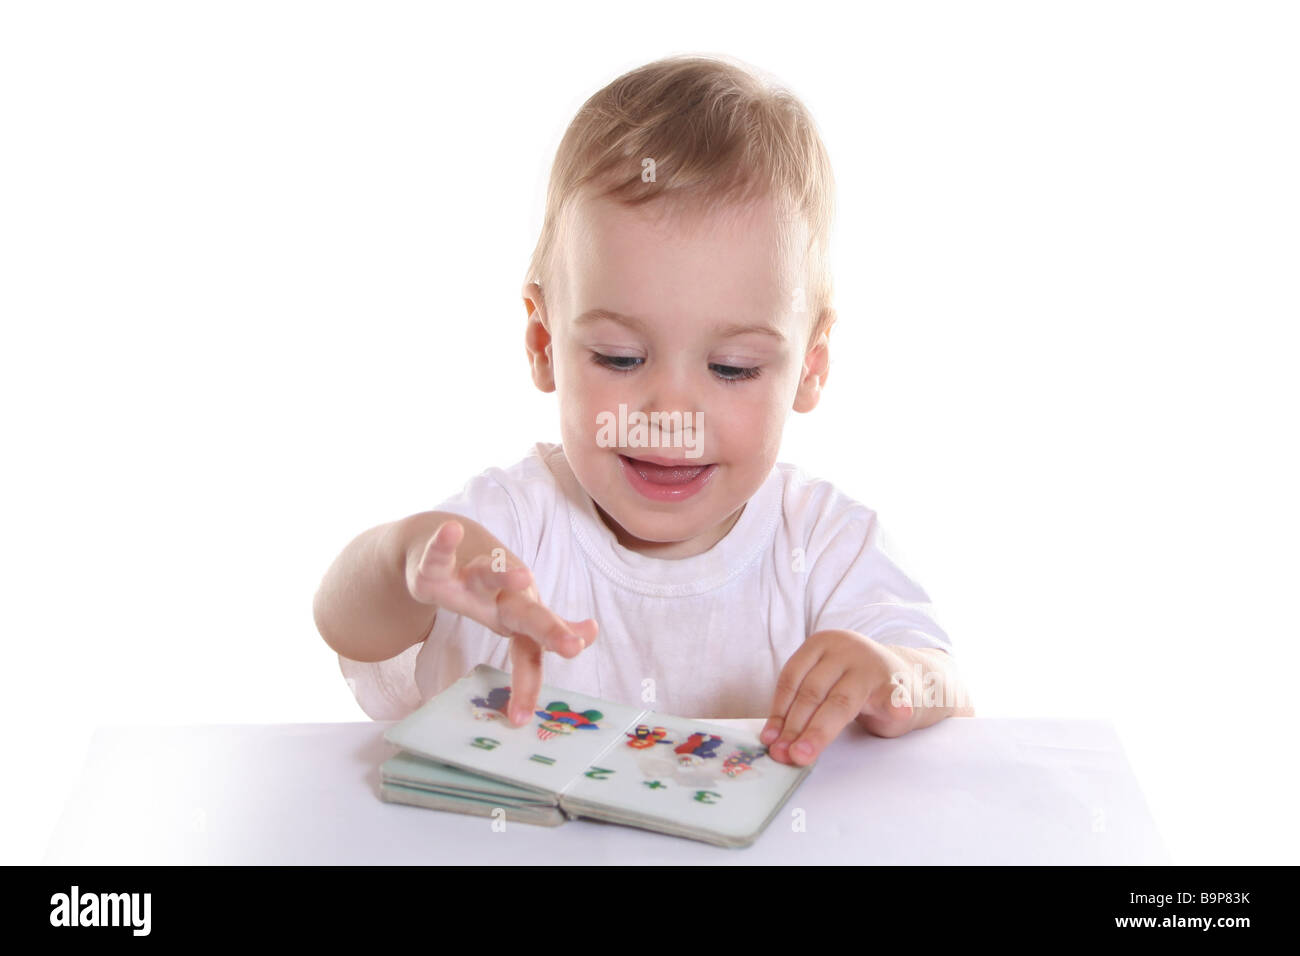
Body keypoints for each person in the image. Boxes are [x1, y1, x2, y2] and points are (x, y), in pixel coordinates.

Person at [313, 54, 974, 767]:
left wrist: (891, 679)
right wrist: (406, 558)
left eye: (733, 368)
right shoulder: (515, 531)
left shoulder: (823, 547)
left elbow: (946, 689)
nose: (670, 411)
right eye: (621, 358)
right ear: (544, 342)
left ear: (810, 366)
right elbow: (344, 622)